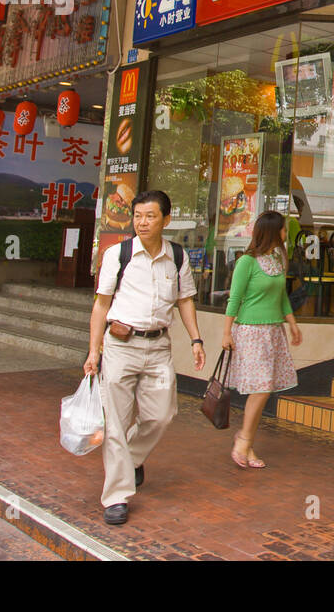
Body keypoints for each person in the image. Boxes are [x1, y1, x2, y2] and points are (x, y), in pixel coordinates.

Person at [85, 190, 205, 527]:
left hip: (158, 348)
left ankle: (130, 459)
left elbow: (185, 300)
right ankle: (116, 497)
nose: (142, 222)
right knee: (117, 424)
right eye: (137, 216)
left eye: (150, 216)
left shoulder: (178, 257)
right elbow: (101, 304)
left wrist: (196, 338)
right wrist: (94, 350)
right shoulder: (118, 254)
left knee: (163, 414)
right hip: (120, 346)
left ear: (166, 220)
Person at [222, 211, 302, 469]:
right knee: (262, 388)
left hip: (273, 331)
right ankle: (243, 439)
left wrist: (292, 324)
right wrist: (226, 332)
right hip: (250, 332)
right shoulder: (247, 262)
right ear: (273, 231)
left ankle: (247, 442)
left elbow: (281, 298)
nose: (285, 235)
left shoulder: (277, 260)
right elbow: (234, 299)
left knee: (264, 389)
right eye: (282, 230)